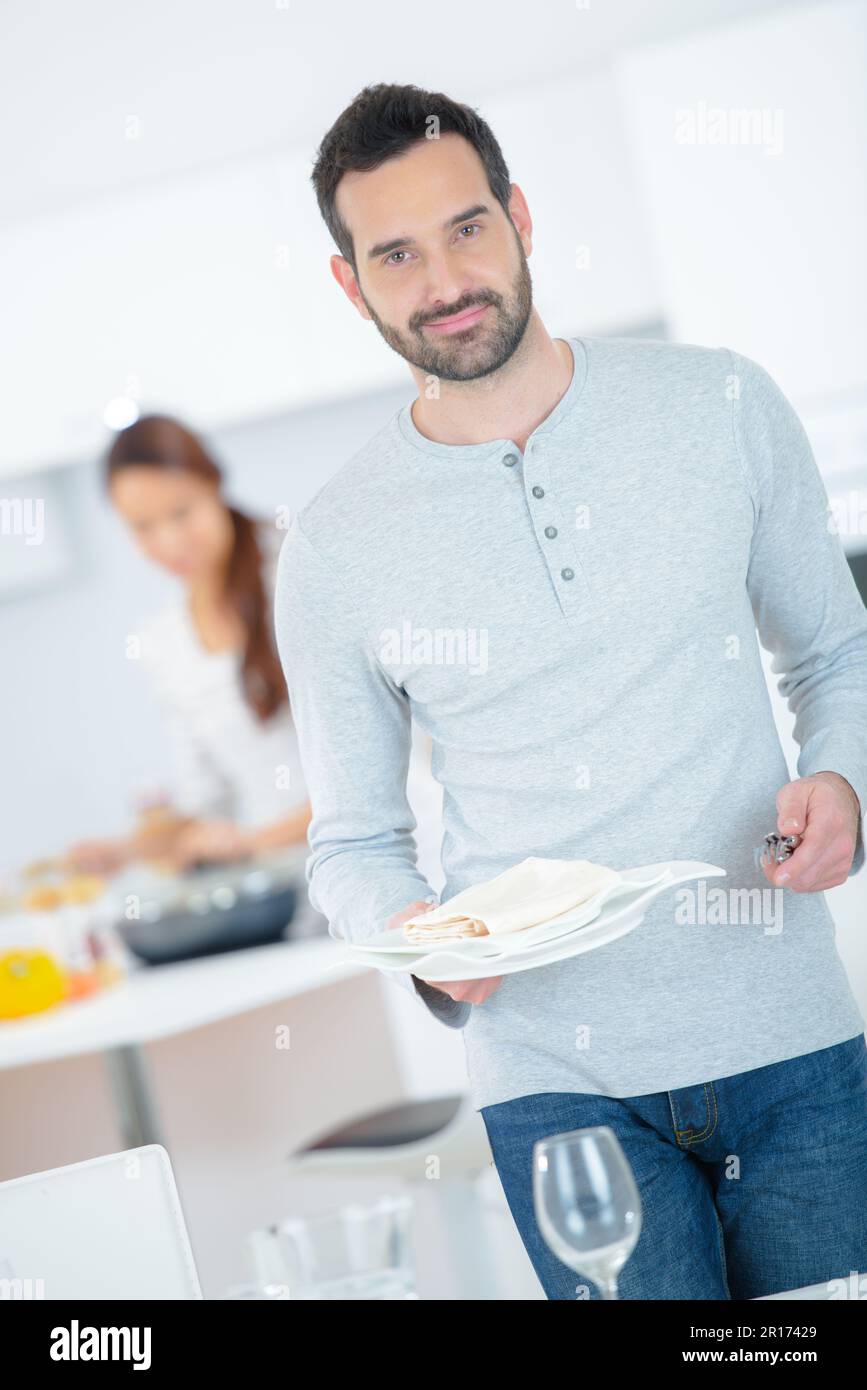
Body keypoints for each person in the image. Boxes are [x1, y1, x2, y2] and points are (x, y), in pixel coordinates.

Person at [272, 83, 867, 1299]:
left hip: (791, 1035)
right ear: (352, 284)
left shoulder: (721, 405)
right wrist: (423, 941)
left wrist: (847, 779)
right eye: (395, 252)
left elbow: (835, 657)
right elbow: (353, 844)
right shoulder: (333, 548)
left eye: (467, 228)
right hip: (554, 1078)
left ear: (521, 217)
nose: (443, 279)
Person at [66, 414, 313, 876]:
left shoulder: (302, 573)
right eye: (142, 526)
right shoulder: (164, 642)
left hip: (401, 872)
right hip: (296, 894)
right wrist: (124, 852)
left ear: (213, 483)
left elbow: (380, 769)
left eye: (181, 512)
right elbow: (207, 802)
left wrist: (253, 841)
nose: (170, 540)